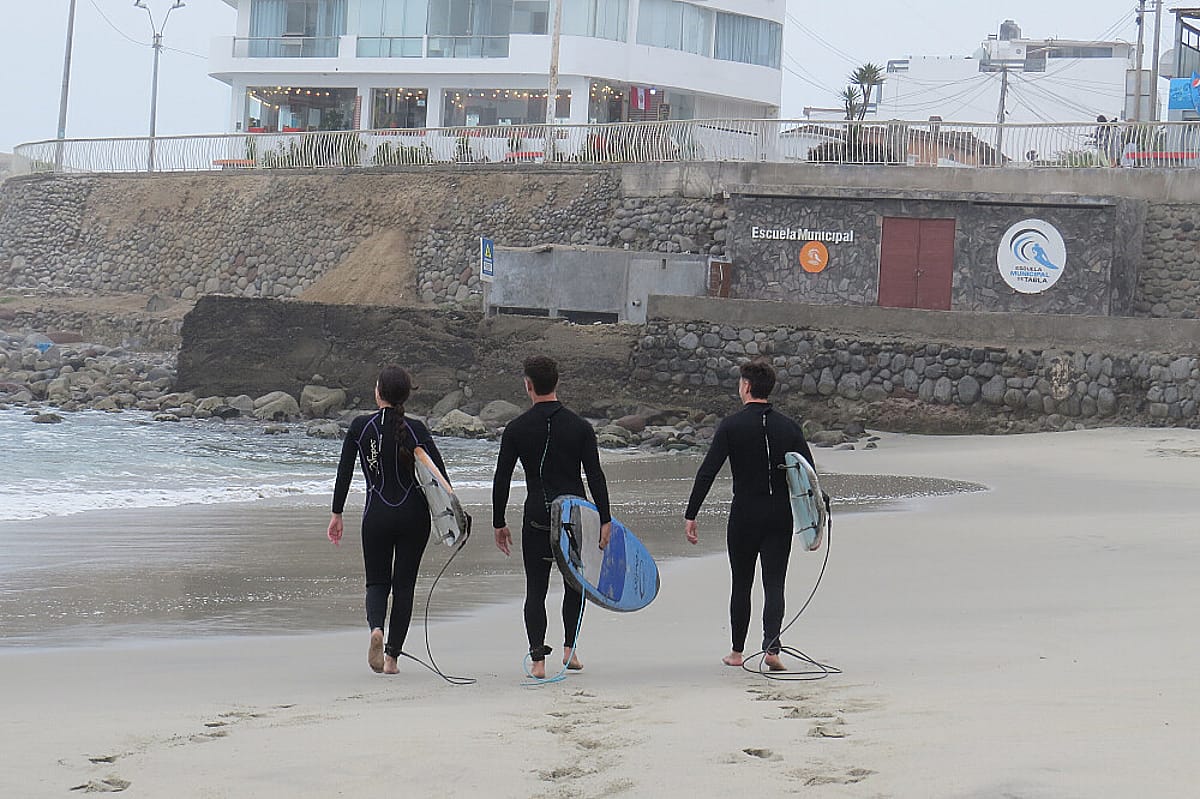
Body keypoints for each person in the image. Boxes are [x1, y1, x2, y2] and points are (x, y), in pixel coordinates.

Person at [683, 359, 816, 671]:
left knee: (741, 583)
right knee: (775, 583)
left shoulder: (731, 426)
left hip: (744, 514)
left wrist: (692, 514)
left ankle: (737, 652)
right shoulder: (789, 427)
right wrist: (816, 524)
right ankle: (772, 648)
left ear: (745, 386)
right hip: (779, 516)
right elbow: (809, 478)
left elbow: (707, 472)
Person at [492, 355, 612, 679]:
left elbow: (501, 478)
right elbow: (595, 476)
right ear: (557, 383)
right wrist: (605, 518)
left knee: (536, 589)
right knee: (575, 585)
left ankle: (537, 661)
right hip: (574, 517)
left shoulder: (516, 429)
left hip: (536, 518)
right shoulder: (581, 428)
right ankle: (569, 651)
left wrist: (498, 522)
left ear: (527, 385)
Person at [328, 365, 447, 675]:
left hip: (376, 516)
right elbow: (440, 479)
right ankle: (392, 658)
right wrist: (454, 520)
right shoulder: (417, 429)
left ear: (378, 392)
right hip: (413, 517)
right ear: (405, 395)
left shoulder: (359, 427)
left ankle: (376, 630)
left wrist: (336, 513)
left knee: (377, 582)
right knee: (404, 587)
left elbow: (344, 474)